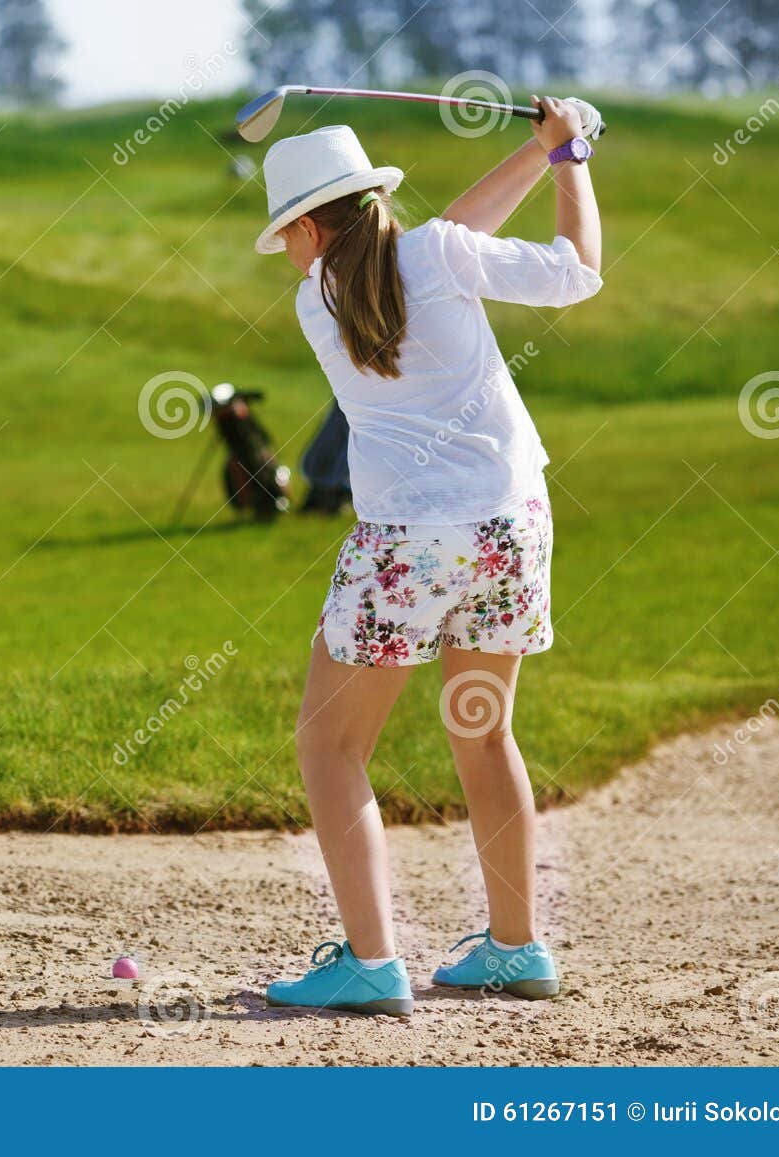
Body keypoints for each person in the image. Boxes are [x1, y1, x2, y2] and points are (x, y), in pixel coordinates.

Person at [255, 98, 603, 1016]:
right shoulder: (437, 253)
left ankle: (371, 963)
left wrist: (543, 152)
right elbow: (577, 276)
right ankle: (515, 946)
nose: (283, 251)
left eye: (283, 233)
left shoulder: (315, 298)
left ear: (304, 226)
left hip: (407, 546)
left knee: (331, 745)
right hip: (509, 529)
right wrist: (569, 159)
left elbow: (442, 237)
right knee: (483, 731)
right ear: (372, 197)